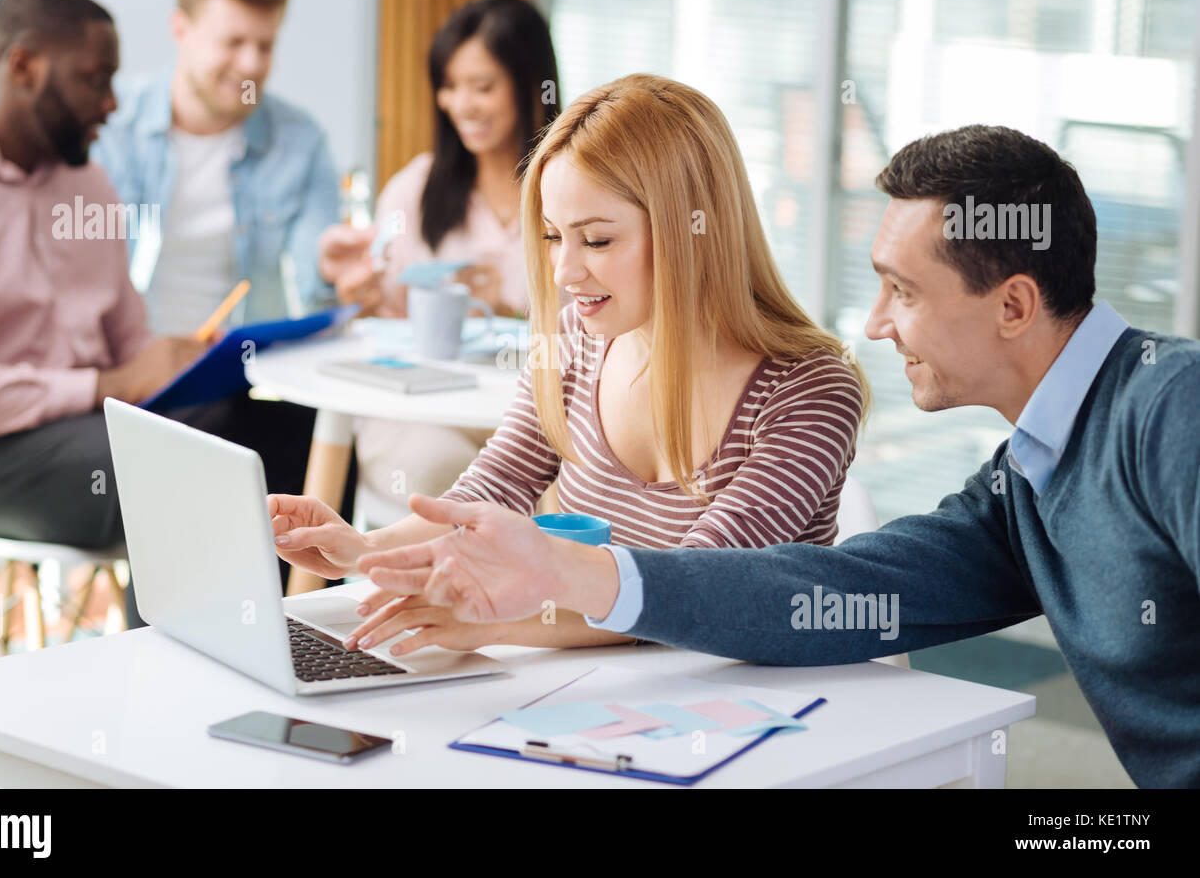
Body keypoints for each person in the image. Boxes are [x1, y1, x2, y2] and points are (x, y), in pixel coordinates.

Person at [348, 124, 1200, 789]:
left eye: (902, 290)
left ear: (1013, 304)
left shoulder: (1173, 407)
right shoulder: (1027, 484)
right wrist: (570, 576)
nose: (875, 324)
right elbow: (829, 594)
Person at [269, 74, 869, 653]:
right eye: (555, 237)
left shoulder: (810, 390)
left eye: (598, 240)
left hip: (747, 708)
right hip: (605, 691)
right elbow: (495, 489)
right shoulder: (574, 340)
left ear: (693, 231)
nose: (564, 272)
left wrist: (491, 623)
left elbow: (692, 588)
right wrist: (365, 549)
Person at [0, 0, 309, 628]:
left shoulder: (89, 182)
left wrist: (175, 366)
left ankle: (292, 653)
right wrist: (104, 385)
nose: (112, 103)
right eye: (95, 80)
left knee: (293, 438)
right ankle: (166, 690)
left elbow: (126, 350)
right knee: (178, 470)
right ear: (25, 67)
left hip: (99, 425)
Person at [315, 0, 561, 522]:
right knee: (442, 469)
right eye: (449, 87)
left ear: (533, 82)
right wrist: (358, 292)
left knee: (571, 481)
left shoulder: (572, 193)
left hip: (538, 417)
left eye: (483, 86)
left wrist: (511, 311)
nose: (461, 104)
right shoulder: (415, 191)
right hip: (420, 414)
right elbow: (380, 317)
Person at [94, 0, 340, 331]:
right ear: (181, 30)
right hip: (124, 376)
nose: (251, 65)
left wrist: (333, 274)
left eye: (265, 45)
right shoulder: (105, 123)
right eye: (233, 42)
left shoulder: (301, 142)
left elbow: (315, 285)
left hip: (239, 376)